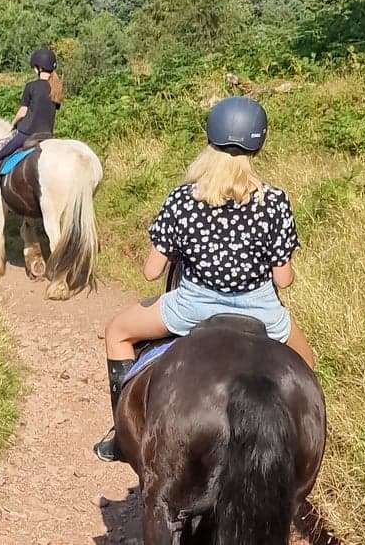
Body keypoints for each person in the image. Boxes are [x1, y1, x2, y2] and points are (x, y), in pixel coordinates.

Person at [91, 95, 316, 463]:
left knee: (116, 331)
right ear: (256, 145)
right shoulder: (275, 201)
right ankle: (299, 448)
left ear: (210, 141)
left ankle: (122, 434)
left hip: (191, 306)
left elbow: (151, 271)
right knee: (305, 365)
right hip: (262, 310)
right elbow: (284, 278)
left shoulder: (183, 199)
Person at [0, 48, 65, 219]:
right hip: (47, 135)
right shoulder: (55, 88)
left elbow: (22, 112)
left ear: (38, 68)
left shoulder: (32, 87)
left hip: (27, 133)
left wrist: (13, 124)